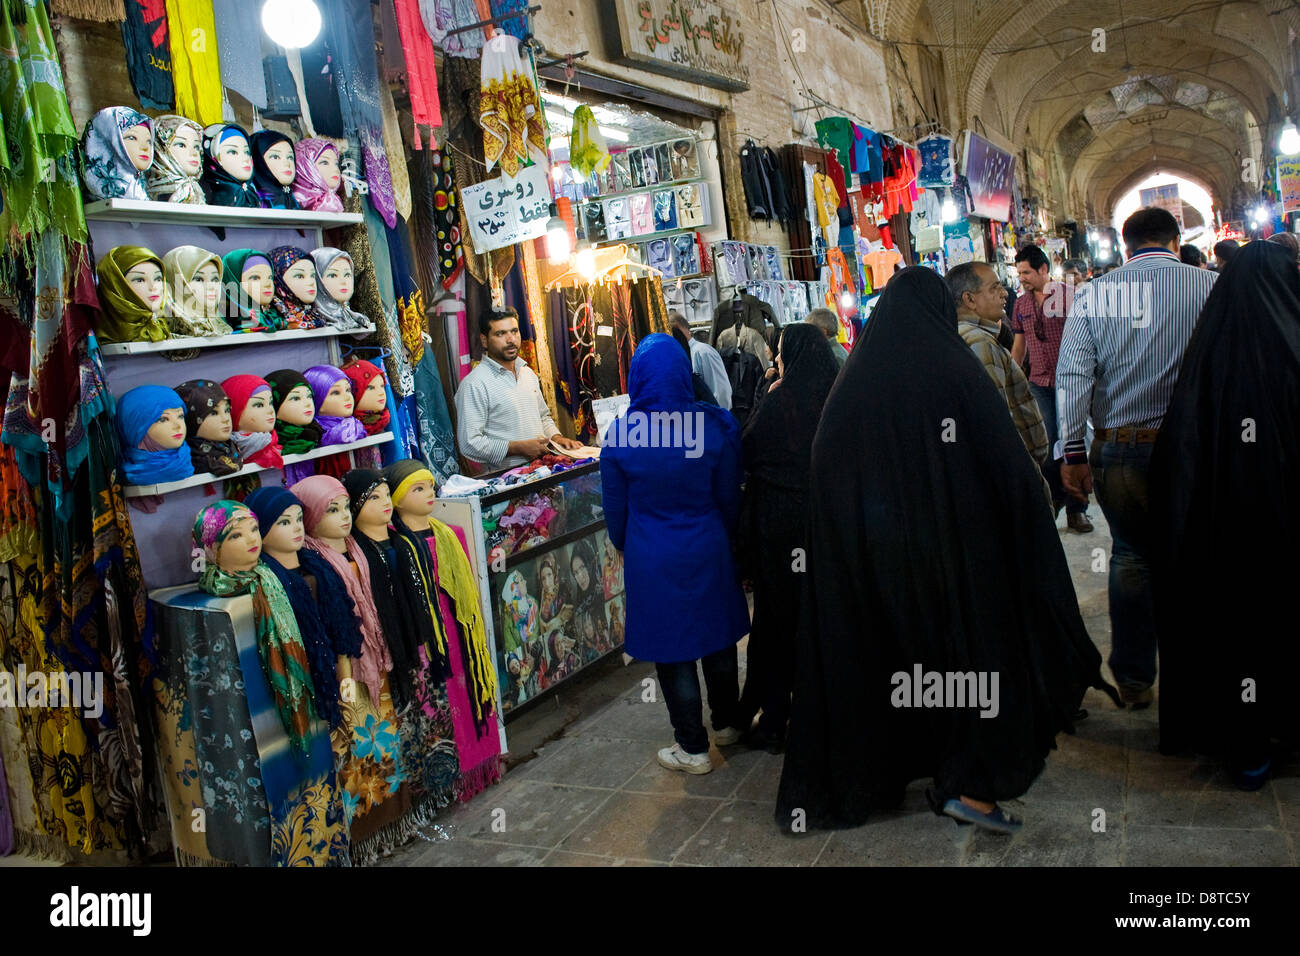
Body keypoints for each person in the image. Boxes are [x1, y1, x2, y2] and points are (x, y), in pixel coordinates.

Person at [774, 268, 1119, 835]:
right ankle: (970, 787)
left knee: (890, 665)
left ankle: (877, 775)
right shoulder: (952, 369)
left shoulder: (854, 384)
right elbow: (1007, 463)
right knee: (969, 665)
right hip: (951, 565)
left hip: (871, 569)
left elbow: (828, 470)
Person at [1149, 241, 1300, 789]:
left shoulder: (1209, 352)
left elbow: (1179, 451)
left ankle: (1247, 745)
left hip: (1226, 534)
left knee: (1240, 635)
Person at [1057, 206, 1217, 708]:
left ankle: (1133, 679)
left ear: (1125, 247)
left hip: (1120, 449)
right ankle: (1198, 675)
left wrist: (1073, 452)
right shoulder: (1208, 287)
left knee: (1130, 554)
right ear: (1174, 241)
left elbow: (1073, 377)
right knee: (1196, 555)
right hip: (1192, 450)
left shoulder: (1095, 295)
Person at [600, 334, 751, 774]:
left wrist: (628, 545)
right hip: (707, 544)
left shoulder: (623, 433)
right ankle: (727, 724)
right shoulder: (715, 425)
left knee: (673, 651)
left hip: (653, 553)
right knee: (718, 638)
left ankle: (693, 747)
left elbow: (615, 511)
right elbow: (729, 496)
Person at [736, 324, 840, 753]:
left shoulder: (781, 402)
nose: (775, 360)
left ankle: (774, 717)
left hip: (779, 527)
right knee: (820, 618)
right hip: (824, 524)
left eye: (780, 353)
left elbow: (749, 448)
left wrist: (765, 396)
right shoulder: (839, 398)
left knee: (777, 622)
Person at [1010, 244, 1094, 532]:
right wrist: (1011, 376)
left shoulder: (1068, 297)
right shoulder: (1020, 305)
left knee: (1072, 445)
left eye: (1027, 272)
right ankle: (1055, 500)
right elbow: (1019, 345)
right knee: (1045, 445)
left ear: (1044, 269)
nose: (1022, 278)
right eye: (1019, 272)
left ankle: (1077, 509)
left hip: (1069, 383)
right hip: (1038, 383)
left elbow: (1086, 338)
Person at [946, 261, 1049, 465]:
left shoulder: (969, 336)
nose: (1004, 293)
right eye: (994, 287)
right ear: (969, 299)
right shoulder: (979, 342)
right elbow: (998, 422)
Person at [454, 308, 582, 470]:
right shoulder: (475, 384)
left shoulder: (527, 373)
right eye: (500, 334)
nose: (510, 339)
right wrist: (517, 448)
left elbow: (542, 417)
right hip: (507, 480)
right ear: (484, 340)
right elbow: (469, 443)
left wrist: (557, 438)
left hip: (544, 470)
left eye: (514, 331)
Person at [669, 312, 732, 409]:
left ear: (676, 328)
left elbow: (720, 391)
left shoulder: (702, 352)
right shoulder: (682, 356)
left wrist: (719, 419)